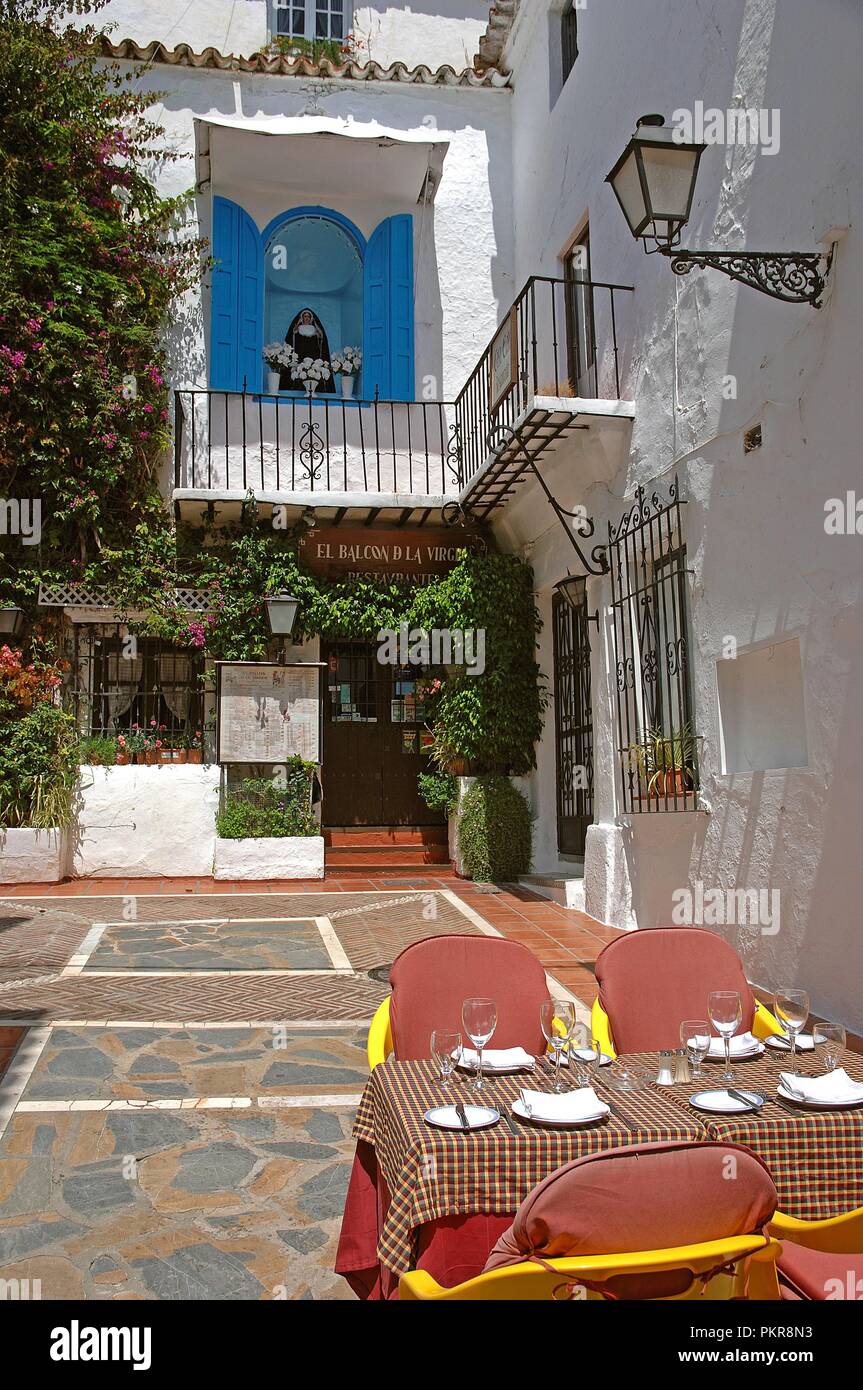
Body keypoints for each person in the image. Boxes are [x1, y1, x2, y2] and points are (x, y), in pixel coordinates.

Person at [281, 307, 334, 391]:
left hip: (312, 355)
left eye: (308, 316)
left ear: (311, 318)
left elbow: (320, 341)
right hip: (300, 355)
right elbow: (292, 340)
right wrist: (295, 330)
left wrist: (319, 335)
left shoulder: (315, 329)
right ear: (302, 318)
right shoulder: (298, 329)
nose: (306, 318)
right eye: (305, 316)